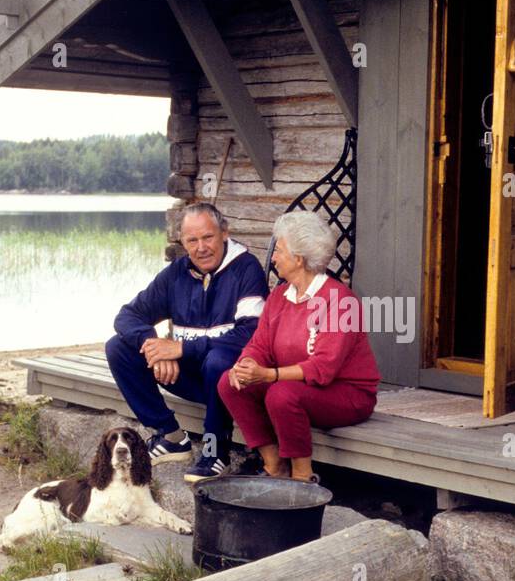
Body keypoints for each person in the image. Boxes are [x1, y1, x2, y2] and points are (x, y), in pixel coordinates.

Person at [106, 203, 268, 482]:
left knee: (219, 360)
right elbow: (127, 316)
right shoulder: (176, 274)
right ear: (183, 241)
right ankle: (170, 435)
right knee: (117, 347)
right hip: (188, 376)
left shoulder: (246, 269)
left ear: (225, 233)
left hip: (233, 382)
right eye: (192, 240)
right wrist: (154, 347)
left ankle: (215, 450)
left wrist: (181, 348)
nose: (201, 247)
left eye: (208, 237)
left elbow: (250, 333)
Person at [218, 211, 379, 482]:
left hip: (348, 394)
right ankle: (274, 464)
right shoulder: (280, 295)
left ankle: (302, 476)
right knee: (229, 382)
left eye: (279, 250)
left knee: (281, 394)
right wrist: (245, 365)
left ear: (299, 258)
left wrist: (269, 375)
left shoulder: (340, 300)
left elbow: (324, 367)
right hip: (297, 388)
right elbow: (260, 345)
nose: (273, 258)